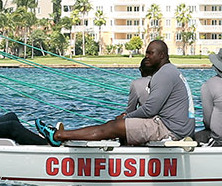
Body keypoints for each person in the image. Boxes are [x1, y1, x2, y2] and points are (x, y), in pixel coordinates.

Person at [54, 38, 193, 145]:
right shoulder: (171, 71)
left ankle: (59, 136)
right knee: (116, 126)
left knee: (113, 127)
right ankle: (65, 135)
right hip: (175, 127)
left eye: (151, 53)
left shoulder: (164, 74)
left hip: (169, 130)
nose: (147, 56)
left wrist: (126, 117)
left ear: (162, 55)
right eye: (146, 53)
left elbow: (150, 110)